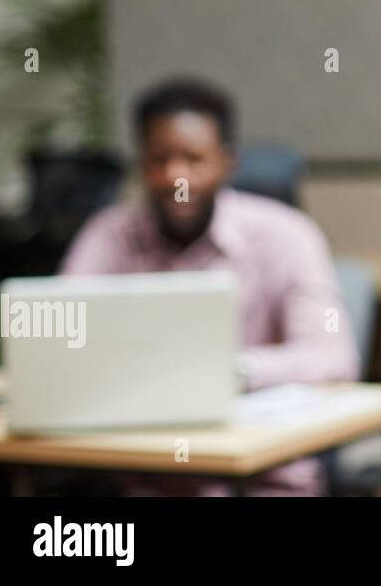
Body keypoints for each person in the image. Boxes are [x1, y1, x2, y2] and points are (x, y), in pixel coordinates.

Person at [61, 77, 359, 495]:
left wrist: (234, 371)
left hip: (262, 481)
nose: (175, 177)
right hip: (143, 477)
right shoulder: (107, 236)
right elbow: (61, 344)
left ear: (226, 162)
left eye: (193, 159)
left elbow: (334, 357)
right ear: (142, 164)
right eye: (159, 159)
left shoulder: (287, 236)